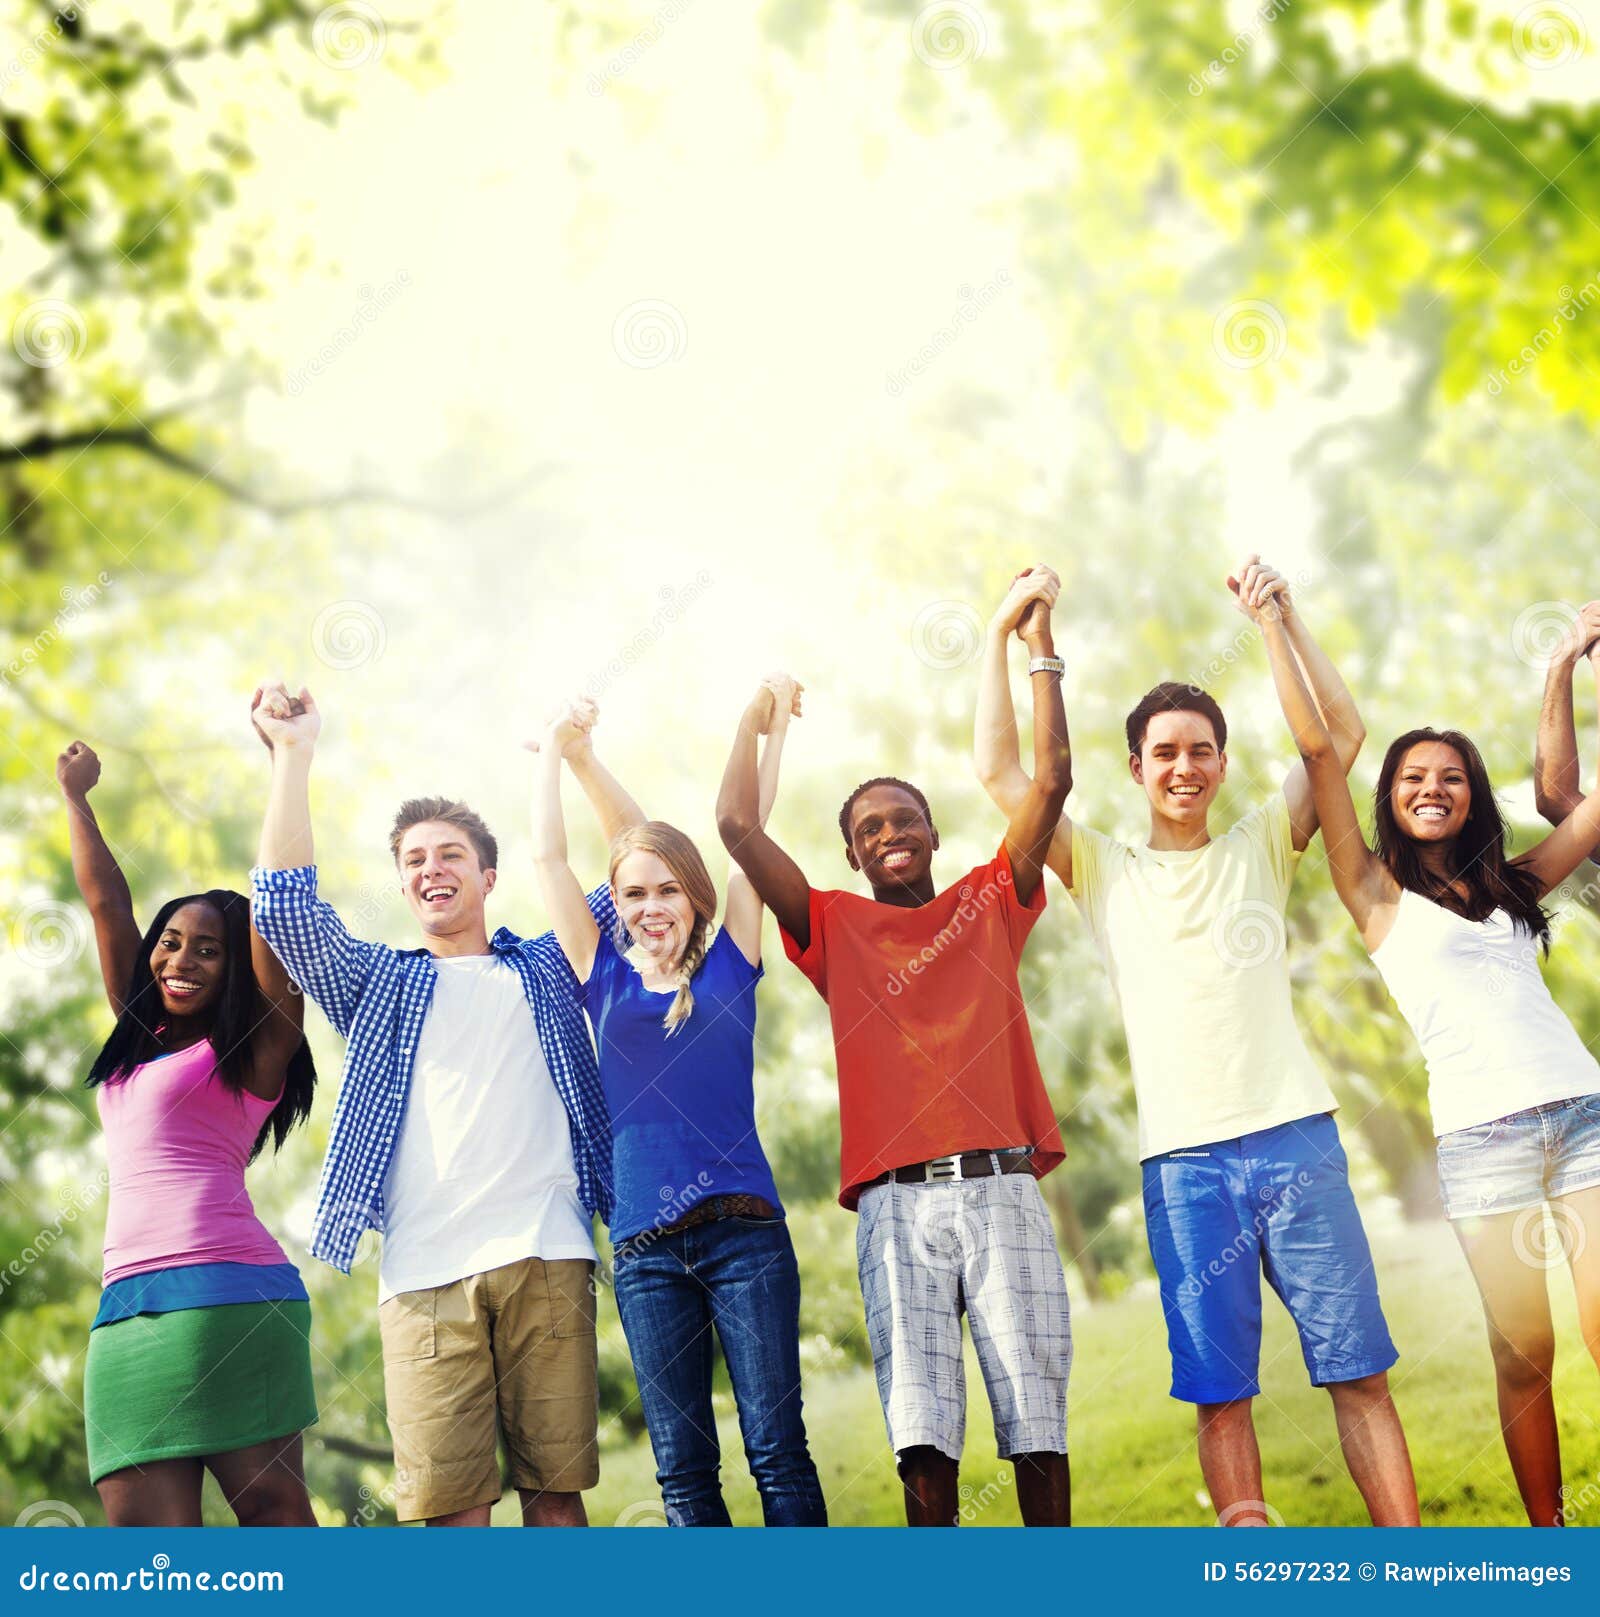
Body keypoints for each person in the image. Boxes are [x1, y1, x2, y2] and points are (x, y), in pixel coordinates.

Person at [976, 559, 1419, 1528]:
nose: (1184, 767)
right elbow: (1005, 775)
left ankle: (1408, 1568)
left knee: (1359, 1373)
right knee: (1221, 1396)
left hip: (1296, 1140)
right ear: (1136, 768)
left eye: (1201, 751)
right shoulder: (1101, 866)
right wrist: (1007, 640)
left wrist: (1278, 619)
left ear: (1221, 764)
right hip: (1183, 1166)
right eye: (1165, 752)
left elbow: (1339, 738)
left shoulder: (1260, 843)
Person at [719, 578, 1074, 1527]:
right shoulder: (831, 927)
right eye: (867, 828)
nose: (888, 834)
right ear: (851, 855)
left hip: (1001, 1186)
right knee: (922, 1430)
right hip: (895, 1204)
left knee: (1036, 1419)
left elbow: (1050, 782)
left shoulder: (992, 899)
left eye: (902, 818)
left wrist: (1038, 647)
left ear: (932, 832)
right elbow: (738, 828)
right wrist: (755, 719)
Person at [248, 679, 643, 1527]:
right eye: (415, 860)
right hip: (423, 1275)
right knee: (450, 1517)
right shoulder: (377, 985)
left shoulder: (551, 964)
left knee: (556, 1499)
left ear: (488, 875)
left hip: (547, 1252)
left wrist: (580, 758)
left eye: (451, 854)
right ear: (403, 885)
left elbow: (644, 867)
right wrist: (292, 754)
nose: (432, 868)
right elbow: (285, 909)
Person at [1259, 583, 1600, 1527]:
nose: (1432, 788)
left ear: (1472, 795)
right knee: (1523, 1355)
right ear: (1391, 798)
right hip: (1483, 1143)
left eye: (1451, 776)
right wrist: (1275, 623)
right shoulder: (1374, 894)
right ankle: (1551, 1541)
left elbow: (1585, 808)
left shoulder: (1518, 883)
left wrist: (1562, 662)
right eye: (1414, 777)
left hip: (1584, 1116)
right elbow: (1320, 750)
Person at [531, 681, 827, 1526]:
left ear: (694, 892)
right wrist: (553, 750)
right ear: (617, 906)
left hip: (746, 1237)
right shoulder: (602, 974)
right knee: (684, 1470)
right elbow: (550, 861)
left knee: (776, 1448)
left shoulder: (733, 956)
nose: (651, 906)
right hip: (647, 1253)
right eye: (633, 894)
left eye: (666, 889)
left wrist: (765, 731)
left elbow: (749, 831)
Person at [58, 739, 318, 1527]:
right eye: (170, 941)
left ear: (238, 969)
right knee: (146, 1542)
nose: (181, 959)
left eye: (209, 950)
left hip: (230, 1296)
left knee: (273, 1513)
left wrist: (286, 761)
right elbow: (108, 907)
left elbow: (279, 915)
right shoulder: (139, 1036)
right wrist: (76, 798)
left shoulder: (254, 1049)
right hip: (125, 1307)